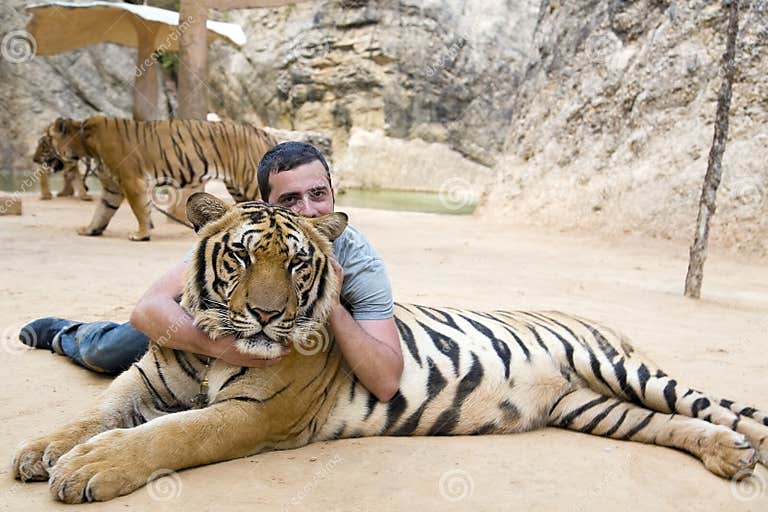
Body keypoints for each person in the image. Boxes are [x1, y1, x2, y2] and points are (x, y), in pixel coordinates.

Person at [19, 142, 403, 402]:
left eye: (318, 194)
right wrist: (223, 348)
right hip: (220, 324)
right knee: (110, 351)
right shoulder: (239, 233)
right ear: (263, 204)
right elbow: (148, 309)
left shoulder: (359, 260)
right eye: (289, 200)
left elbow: (386, 382)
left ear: (332, 192)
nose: (307, 211)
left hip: (292, 358)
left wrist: (332, 302)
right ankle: (66, 334)